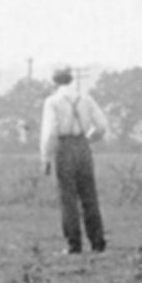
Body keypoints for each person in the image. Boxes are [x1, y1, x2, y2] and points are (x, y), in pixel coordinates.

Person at [40, 66, 109, 254]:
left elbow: (50, 133)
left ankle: (74, 245)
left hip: (64, 148)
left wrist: (46, 157)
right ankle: (97, 242)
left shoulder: (52, 101)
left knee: (68, 199)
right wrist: (89, 139)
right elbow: (102, 126)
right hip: (83, 147)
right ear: (71, 80)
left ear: (55, 81)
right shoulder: (86, 98)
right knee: (89, 197)